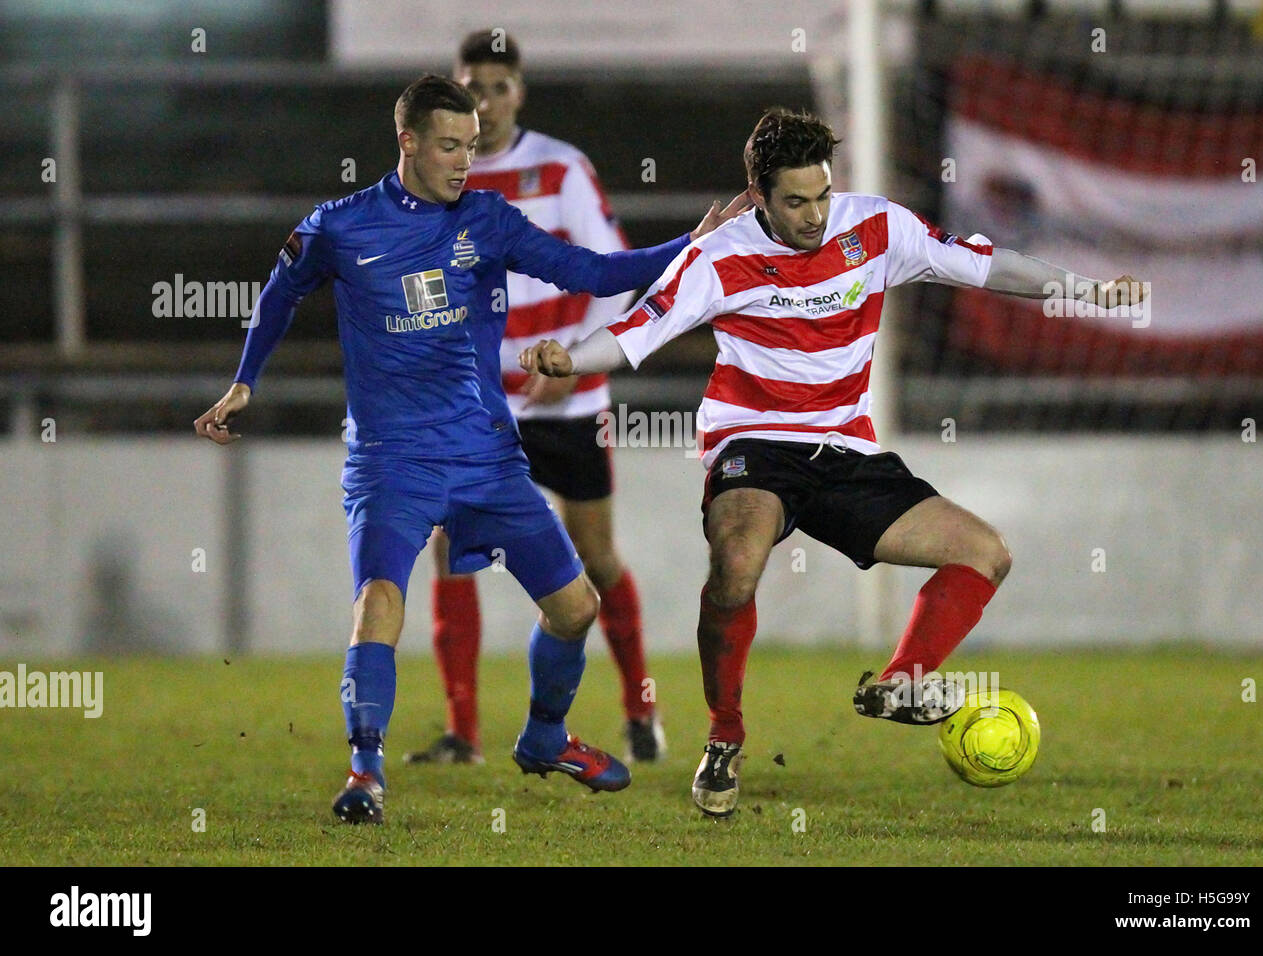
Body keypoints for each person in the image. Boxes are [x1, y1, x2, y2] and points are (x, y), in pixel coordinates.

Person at [520, 107, 1144, 817]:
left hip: (845, 448)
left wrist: (1082, 289)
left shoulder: (876, 226)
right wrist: (573, 357)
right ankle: (724, 737)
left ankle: (900, 682)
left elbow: (983, 263)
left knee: (984, 553)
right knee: (738, 566)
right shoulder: (717, 256)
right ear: (759, 196)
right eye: (794, 201)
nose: (814, 215)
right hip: (754, 444)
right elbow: (640, 330)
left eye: (820, 195)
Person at [193, 74, 742, 824]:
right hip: (391, 460)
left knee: (577, 606)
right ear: (408, 142)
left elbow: (592, 272)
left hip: (486, 456)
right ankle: (365, 773)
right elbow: (280, 292)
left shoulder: (487, 221)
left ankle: (545, 737)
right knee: (380, 602)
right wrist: (244, 381)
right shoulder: (341, 227)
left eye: (472, 147)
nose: (463, 162)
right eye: (450, 146)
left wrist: (690, 245)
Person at [405, 30, 663, 768]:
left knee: (595, 557)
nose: (484, 101)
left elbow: (609, 273)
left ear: (519, 91)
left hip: (567, 405)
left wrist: (576, 366)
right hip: (483, 408)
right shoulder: (436, 183)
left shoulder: (559, 168)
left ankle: (639, 710)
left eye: (497, 86)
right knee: (452, 550)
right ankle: (464, 733)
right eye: (471, 87)